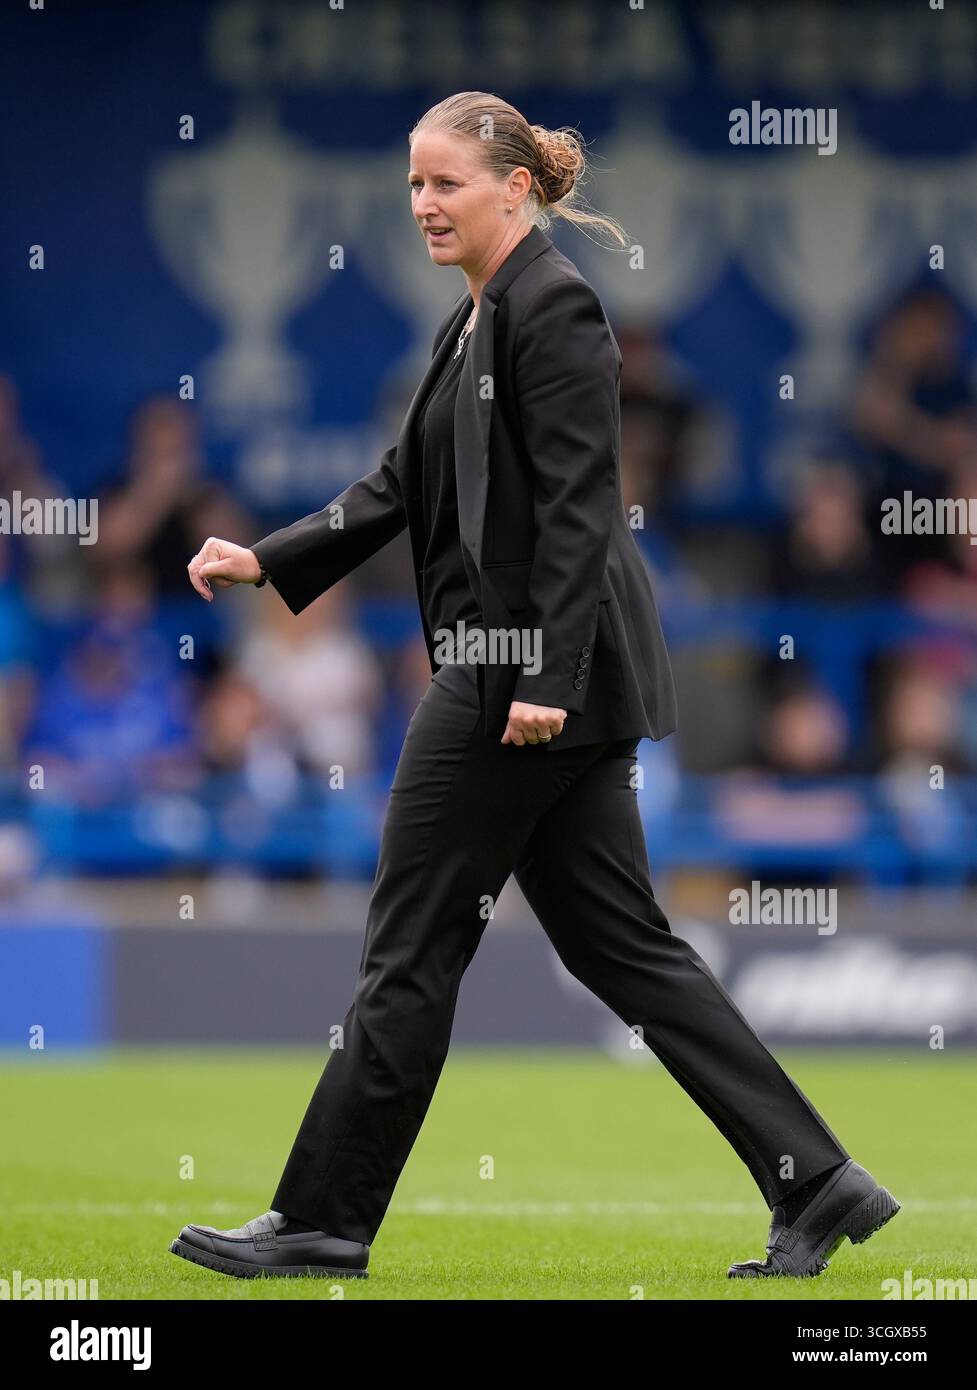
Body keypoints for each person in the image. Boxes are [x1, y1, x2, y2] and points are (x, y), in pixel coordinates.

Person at [174, 92, 899, 1283]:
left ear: (514, 186)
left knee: (409, 942)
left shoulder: (550, 306)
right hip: (529, 677)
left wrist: (547, 676)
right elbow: (396, 485)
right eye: (412, 183)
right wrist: (268, 555)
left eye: (445, 181)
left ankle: (324, 1215)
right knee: (624, 949)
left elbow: (580, 507)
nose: (422, 203)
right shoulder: (475, 320)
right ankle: (815, 1180)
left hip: (517, 677)